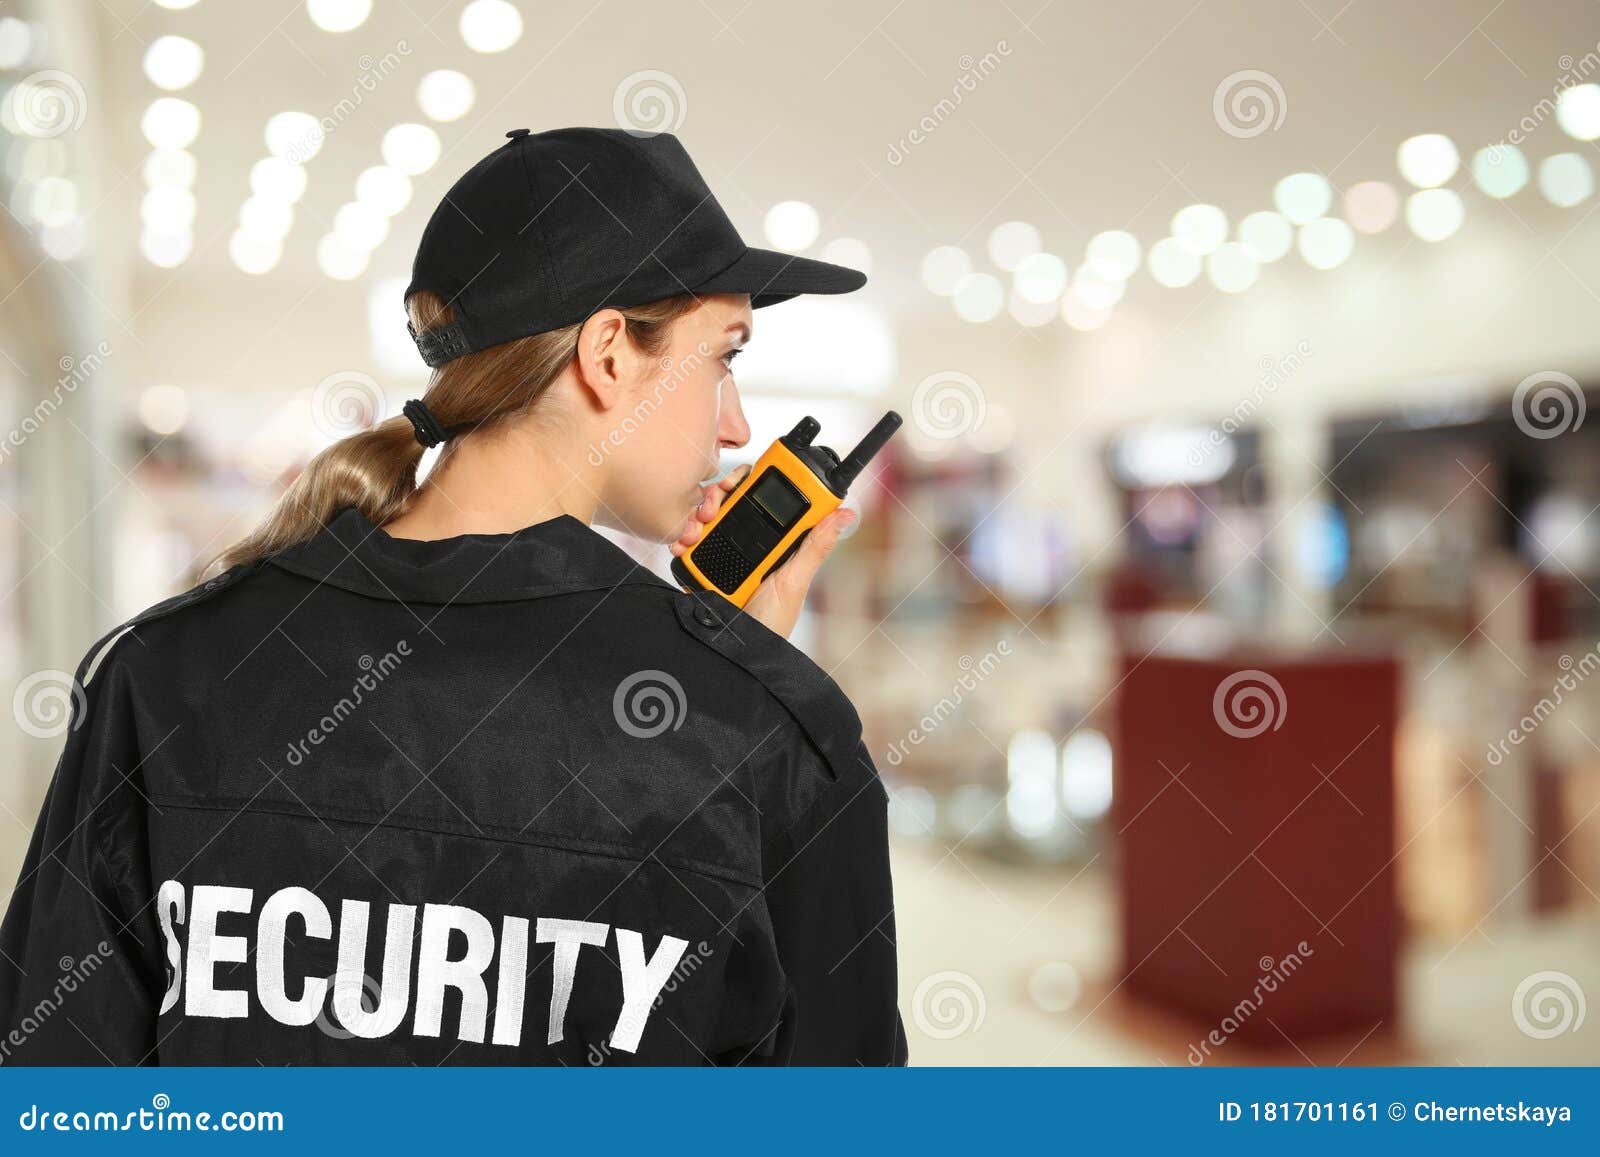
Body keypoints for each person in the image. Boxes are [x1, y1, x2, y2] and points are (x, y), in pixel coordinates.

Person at [0, 127, 908, 1066]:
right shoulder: (771, 738)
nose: (736, 425)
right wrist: (750, 690)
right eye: (726, 356)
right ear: (607, 353)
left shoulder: (165, 674)